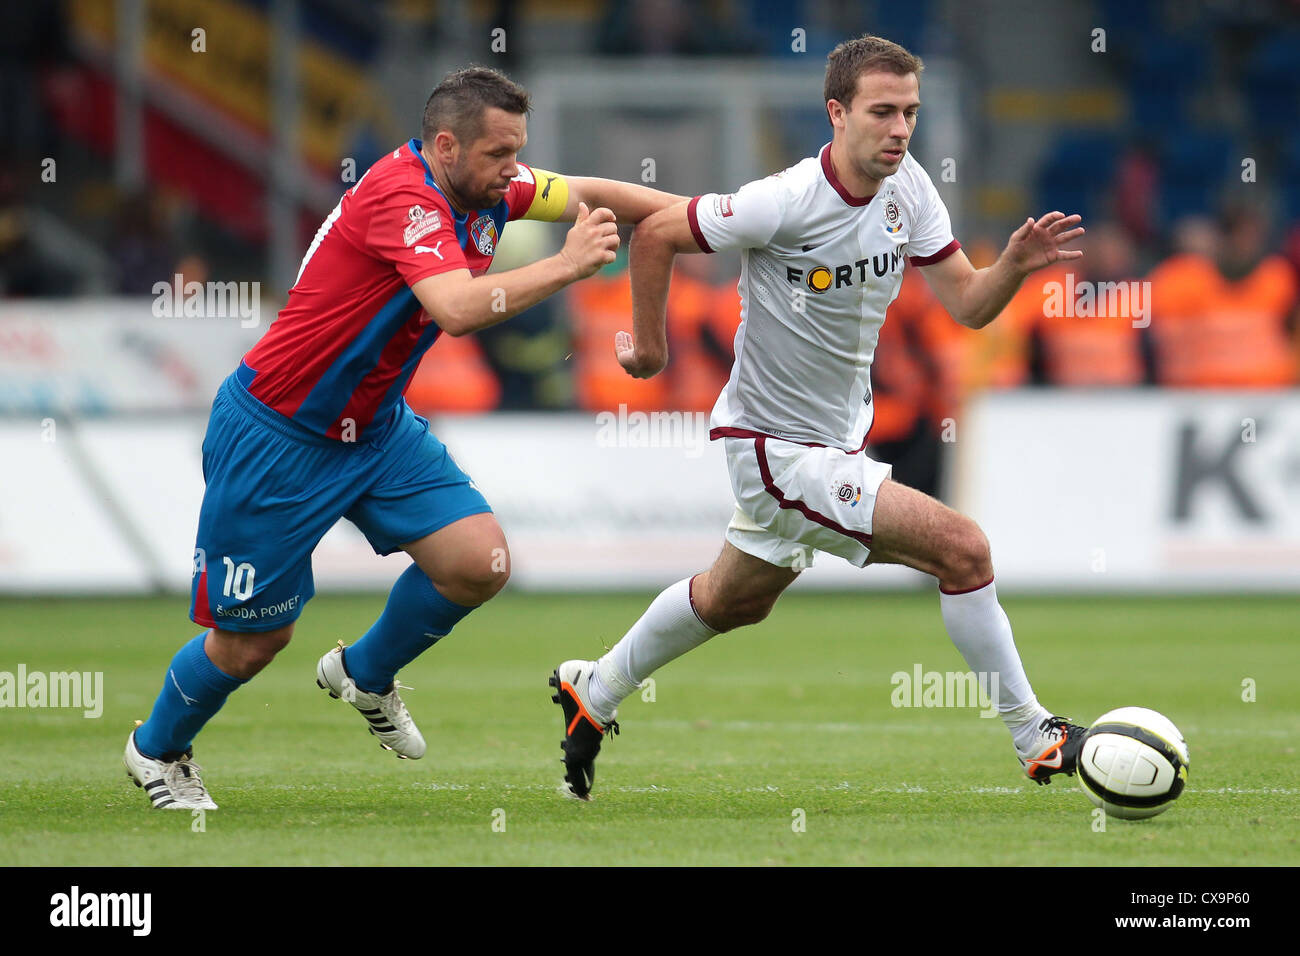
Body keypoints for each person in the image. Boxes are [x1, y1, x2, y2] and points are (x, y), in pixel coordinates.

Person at [124, 66, 684, 810]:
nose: (514, 170)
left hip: (376, 428)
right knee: (254, 641)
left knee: (477, 562)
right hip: (280, 434)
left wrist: (706, 218)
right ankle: (157, 751)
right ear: (446, 145)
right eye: (498, 155)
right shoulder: (404, 196)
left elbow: (584, 191)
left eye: (518, 152)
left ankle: (364, 671)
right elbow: (453, 308)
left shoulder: (488, 186)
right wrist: (566, 265)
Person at [549, 35, 1088, 800]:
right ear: (837, 113)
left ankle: (592, 693)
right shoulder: (785, 200)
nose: (900, 129)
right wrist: (647, 349)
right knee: (964, 550)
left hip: (833, 442)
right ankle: (1035, 735)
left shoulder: (910, 191)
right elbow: (662, 231)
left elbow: (969, 303)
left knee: (732, 601)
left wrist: (1011, 267)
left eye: (910, 112)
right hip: (776, 450)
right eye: (882, 112)